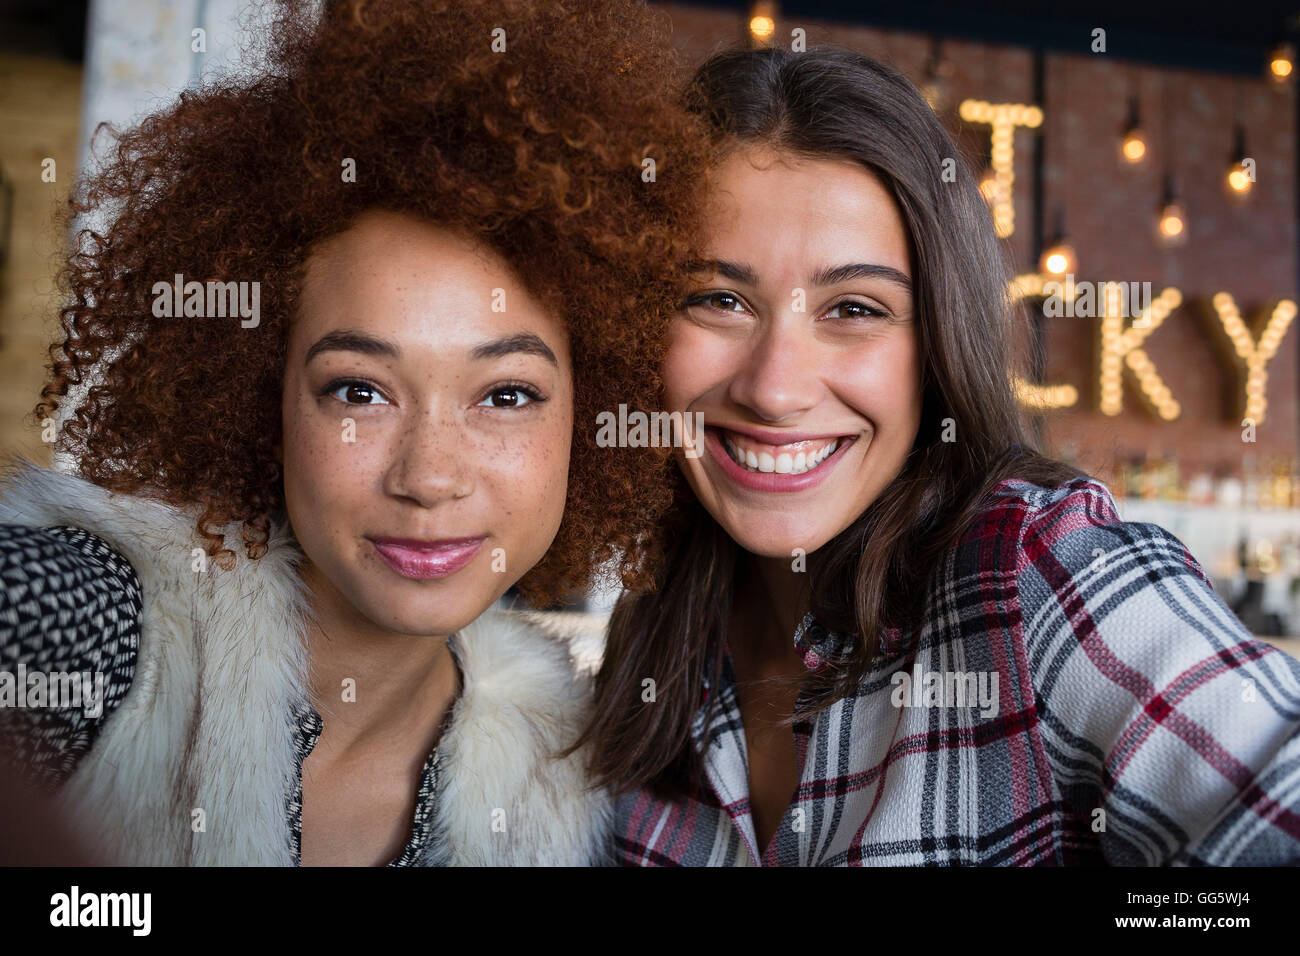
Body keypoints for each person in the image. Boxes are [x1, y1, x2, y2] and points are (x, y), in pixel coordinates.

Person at [0, 0, 707, 866]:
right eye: (361, 390)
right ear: (261, 398)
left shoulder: (569, 793)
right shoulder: (81, 630)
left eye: (508, 396)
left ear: (590, 423)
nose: (430, 476)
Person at [577, 45, 1300, 866]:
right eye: (718, 299)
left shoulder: (1034, 573)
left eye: (854, 307)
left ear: (937, 346)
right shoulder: (661, 637)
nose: (775, 390)